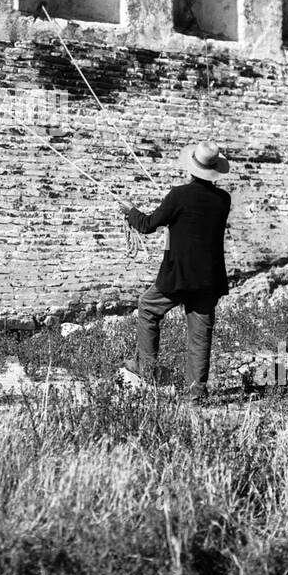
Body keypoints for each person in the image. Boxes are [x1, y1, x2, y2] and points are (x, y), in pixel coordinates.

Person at [119, 139, 232, 404]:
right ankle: (195, 397)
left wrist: (130, 212)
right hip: (209, 278)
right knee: (200, 336)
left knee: (147, 307)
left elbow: (147, 225)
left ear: (192, 167)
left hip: (179, 275)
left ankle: (145, 369)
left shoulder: (179, 195)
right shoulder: (223, 200)